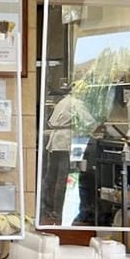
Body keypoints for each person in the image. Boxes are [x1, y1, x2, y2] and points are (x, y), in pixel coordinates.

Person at [41, 84, 97, 225]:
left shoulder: (63, 101)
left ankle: (49, 208)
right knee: (65, 178)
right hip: (69, 141)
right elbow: (89, 122)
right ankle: (59, 211)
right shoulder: (77, 103)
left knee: (52, 177)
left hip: (56, 142)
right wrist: (96, 128)